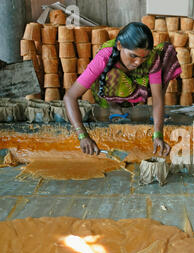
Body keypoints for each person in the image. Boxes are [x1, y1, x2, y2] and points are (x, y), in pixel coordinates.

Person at [64, 22, 182, 157]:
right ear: (119, 46)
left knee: (167, 51)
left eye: (144, 57)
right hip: (111, 90)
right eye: (133, 56)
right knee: (111, 73)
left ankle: (156, 117)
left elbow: (157, 99)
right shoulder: (104, 56)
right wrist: (82, 136)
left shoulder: (152, 58)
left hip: (139, 89)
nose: (138, 62)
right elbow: (70, 97)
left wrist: (158, 135)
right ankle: (115, 109)